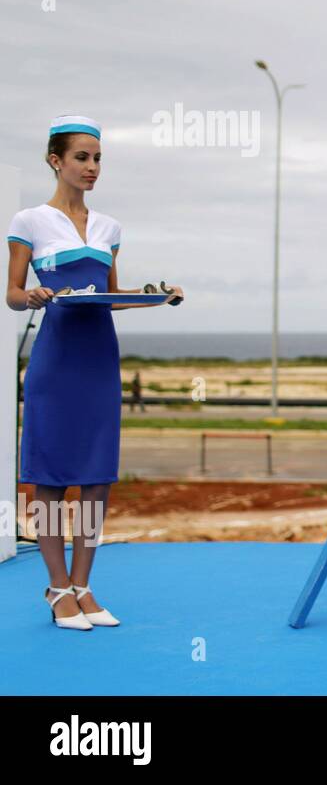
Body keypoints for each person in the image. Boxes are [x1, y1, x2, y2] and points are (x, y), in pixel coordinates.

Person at [5, 116, 183, 630]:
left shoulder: (110, 228)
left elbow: (111, 296)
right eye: (82, 158)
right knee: (50, 479)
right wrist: (32, 295)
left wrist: (156, 297)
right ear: (55, 161)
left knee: (97, 477)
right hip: (56, 359)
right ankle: (57, 587)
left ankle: (83, 586)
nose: (92, 167)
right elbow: (12, 294)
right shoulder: (29, 221)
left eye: (98, 158)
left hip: (99, 359)